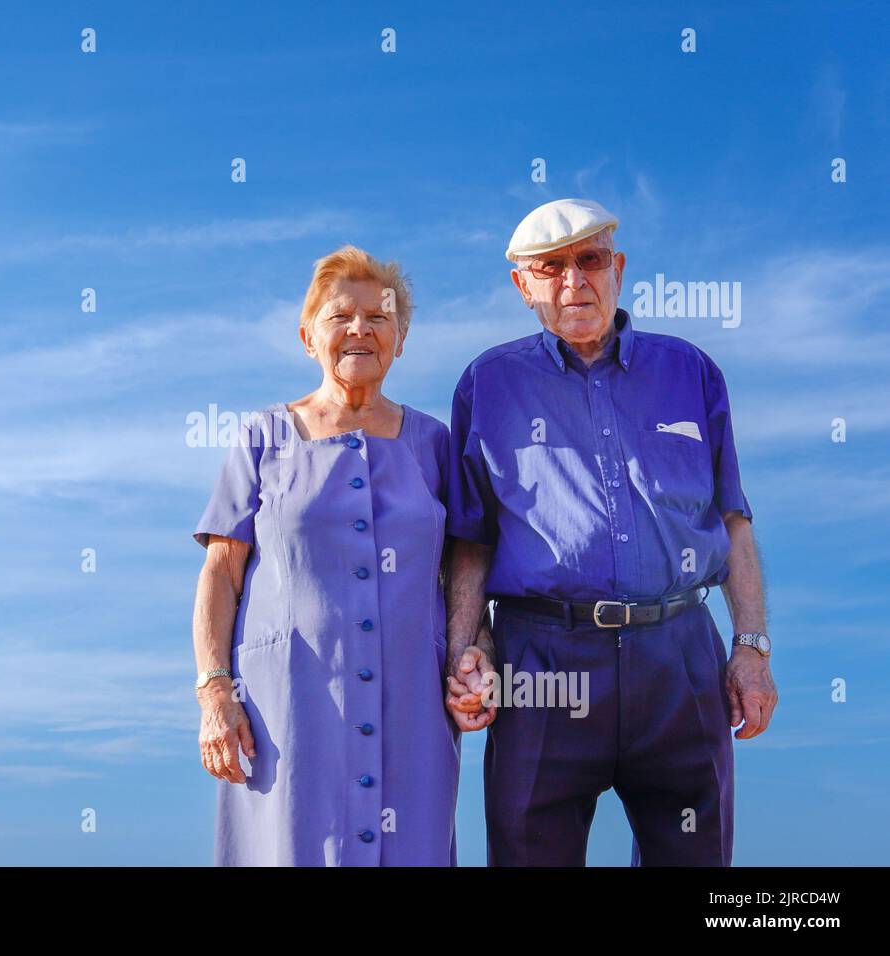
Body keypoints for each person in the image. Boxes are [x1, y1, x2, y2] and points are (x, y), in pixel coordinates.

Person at [443, 198, 778, 866]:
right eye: (552, 268)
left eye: (590, 261)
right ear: (524, 286)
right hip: (540, 661)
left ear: (617, 268)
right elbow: (472, 540)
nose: (574, 282)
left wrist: (752, 646)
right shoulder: (488, 383)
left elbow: (733, 520)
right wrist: (463, 649)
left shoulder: (692, 372)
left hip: (681, 658)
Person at [191, 246, 459, 865]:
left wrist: (476, 655)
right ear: (307, 336)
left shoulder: (435, 445)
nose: (361, 329)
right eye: (341, 316)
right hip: (287, 711)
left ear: (401, 338)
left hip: (411, 710)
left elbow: (462, 571)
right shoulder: (263, 437)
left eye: (380, 317)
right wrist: (214, 694)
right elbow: (222, 572)